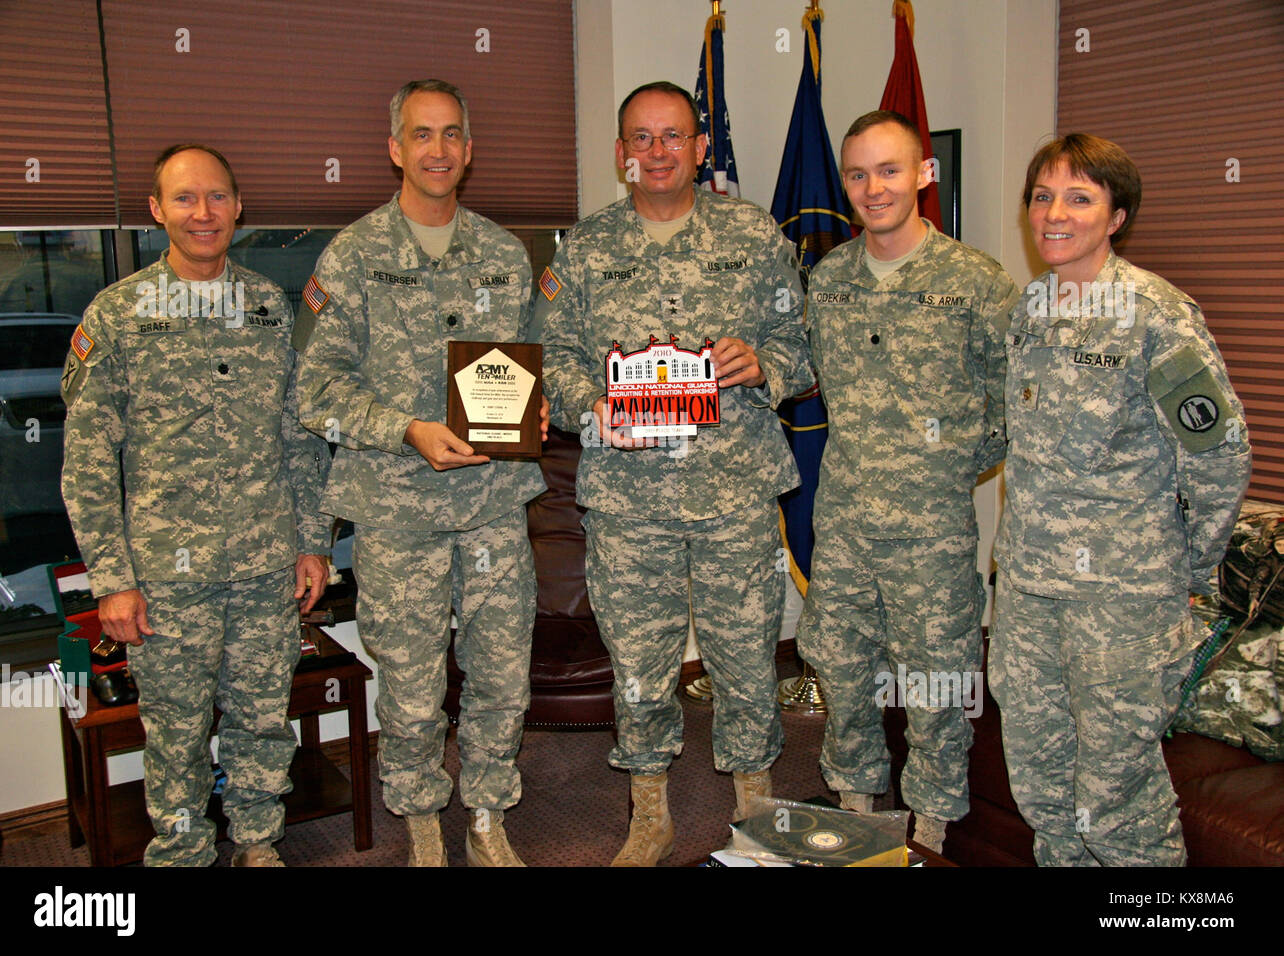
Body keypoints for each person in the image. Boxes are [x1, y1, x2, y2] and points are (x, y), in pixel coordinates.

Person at [535, 81, 813, 866]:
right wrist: (593, 404)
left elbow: (801, 350)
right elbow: (550, 363)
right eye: (641, 139)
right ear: (622, 154)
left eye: (673, 137)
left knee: (747, 661)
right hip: (631, 502)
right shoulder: (583, 251)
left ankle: (756, 804)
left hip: (735, 493)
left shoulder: (756, 238)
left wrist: (763, 365)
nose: (657, 153)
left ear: (699, 147)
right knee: (641, 666)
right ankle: (650, 809)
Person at [295, 79, 547, 867]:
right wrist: (404, 429)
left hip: (494, 507)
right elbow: (317, 393)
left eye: (451, 135)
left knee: (503, 678)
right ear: (396, 149)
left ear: (469, 151)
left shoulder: (507, 256)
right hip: (397, 510)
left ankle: (487, 814)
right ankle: (422, 825)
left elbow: (534, 369)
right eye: (421, 135)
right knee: (409, 691)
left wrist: (541, 412)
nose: (437, 150)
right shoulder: (355, 256)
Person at [61, 144, 333, 867]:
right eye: (185, 199)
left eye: (217, 197)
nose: (203, 212)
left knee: (260, 724)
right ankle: (181, 855)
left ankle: (258, 845)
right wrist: (112, 578)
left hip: (264, 564)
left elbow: (298, 440)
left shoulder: (270, 308)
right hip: (163, 579)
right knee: (175, 734)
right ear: (157, 211)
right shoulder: (118, 316)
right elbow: (88, 462)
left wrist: (313, 543)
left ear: (238, 208)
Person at [990, 133, 1251, 865]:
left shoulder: (1156, 316)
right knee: (1042, 788)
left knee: (1116, 804)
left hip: (1122, 599)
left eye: (1079, 196)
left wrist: (1185, 570)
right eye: (1042, 195)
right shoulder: (1030, 309)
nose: (1054, 213)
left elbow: (1221, 457)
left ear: (1117, 215)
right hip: (1030, 590)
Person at [793, 111, 1019, 853]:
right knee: (846, 679)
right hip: (847, 529)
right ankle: (856, 821)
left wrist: (946, 464)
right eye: (857, 174)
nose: (871, 187)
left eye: (889, 170)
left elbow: (1011, 403)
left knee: (936, 689)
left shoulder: (978, 282)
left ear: (924, 174)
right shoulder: (827, 282)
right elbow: (807, 378)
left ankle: (929, 834)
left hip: (931, 536)